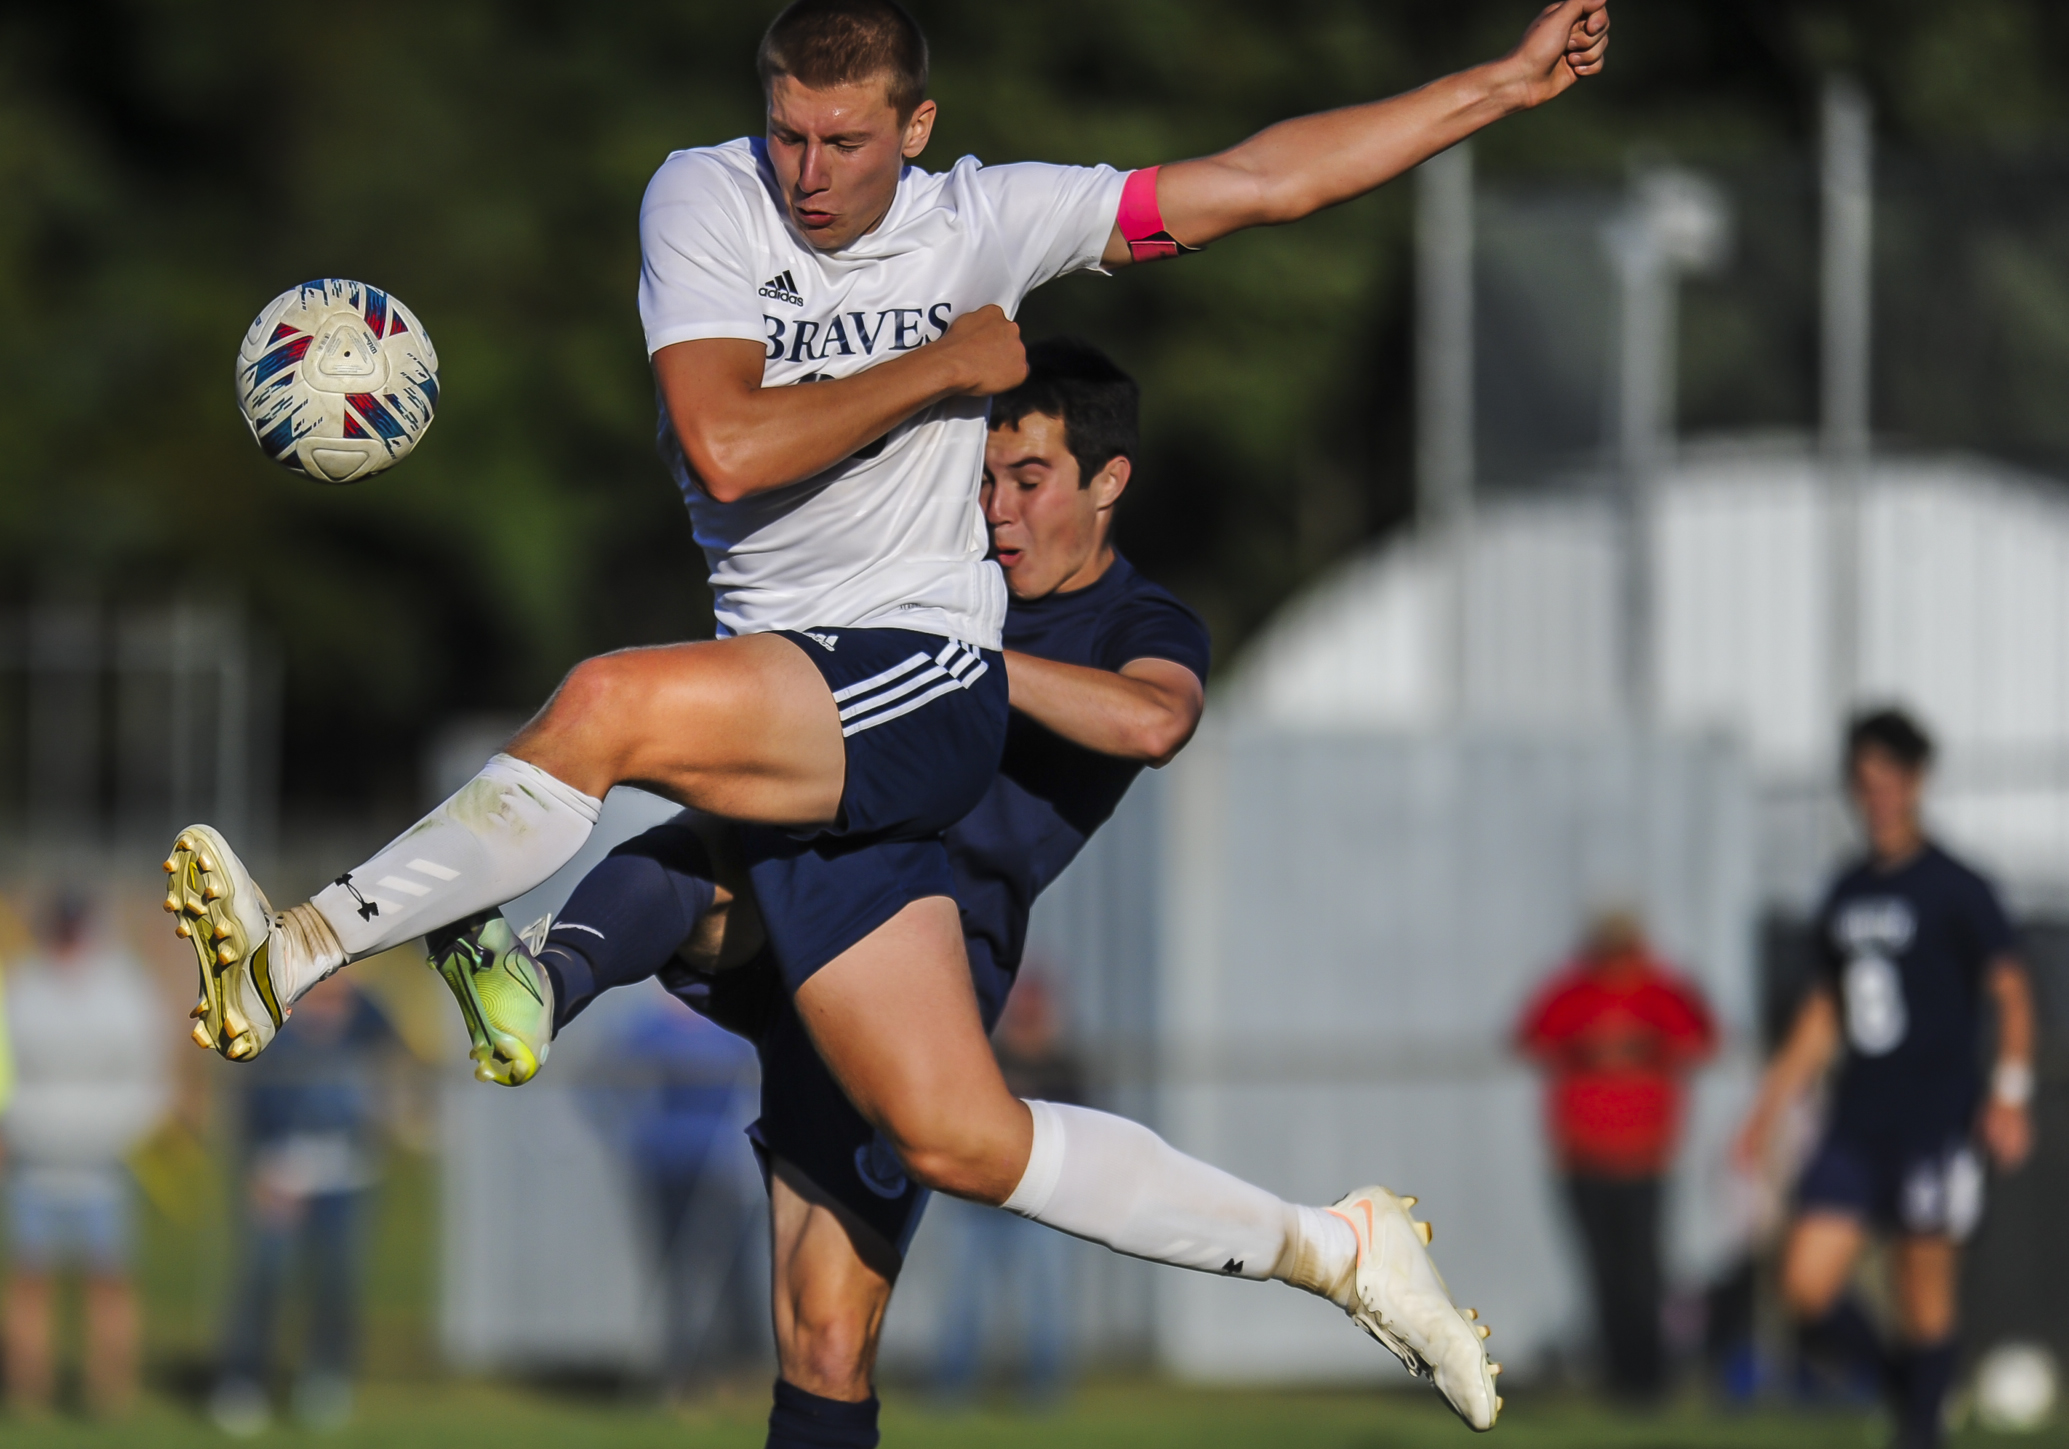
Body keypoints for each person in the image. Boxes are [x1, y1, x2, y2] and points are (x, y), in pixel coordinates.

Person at [164, 2, 1611, 1430]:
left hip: (914, 678)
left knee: (608, 706)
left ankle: (305, 955)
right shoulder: (704, 196)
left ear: (916, 130)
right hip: (807, 729)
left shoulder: (994, 221)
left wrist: (1491, 86)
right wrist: (941, 365)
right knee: (922, 1188)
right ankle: (1339, 1247)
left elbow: (1258, 183)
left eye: (846, 141)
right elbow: (727, 447)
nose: (809, 170)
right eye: (787, 132)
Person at [1734, 709, 2036, 1449]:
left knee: (1919, 1287)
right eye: (1862, 781)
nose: (1876, 796)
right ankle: (1911, 1388)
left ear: (1915, 782)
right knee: (1804, 1282)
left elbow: (2010, 990)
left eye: (1889, 780)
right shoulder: (1842, 890)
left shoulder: (1957, 885)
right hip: (1854, 1119)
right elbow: (1822, 1013)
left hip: (1935, 1117)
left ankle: (1918, 1429)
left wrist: (2009, 1092)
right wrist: (1765, 1109)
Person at [1514, 909, 1715, 1402]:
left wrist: (1637, 1047)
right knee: (1602, 1268)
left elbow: (1700, 1039)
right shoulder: (1572, 991)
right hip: (1582, 1156)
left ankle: (1650, 1375)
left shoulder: (1662, 991)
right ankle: (1618, 1373)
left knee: (1643, 1270)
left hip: (1645, 1156)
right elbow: (1530, 1037)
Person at [209, 974, 400, 1434]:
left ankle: (326, 1378)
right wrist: (261, 1165)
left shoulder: (367, 1014)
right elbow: (250, 1096)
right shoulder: (273, 1014)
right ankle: (244, 1380)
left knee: (337, 1282)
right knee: (264, 1279)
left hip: (346, 1173)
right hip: (280, 1172)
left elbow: (391, 1061)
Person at [4, 889, 167, 1418]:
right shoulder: (21, 989)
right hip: (35, 1163)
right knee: (32, 1278)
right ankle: (28, 1389)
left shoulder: (124, 990)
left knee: (110, 1278)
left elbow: (149, 1071)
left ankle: (110, 1392)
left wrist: (130, 1130)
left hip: (106, 1165)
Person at [933, 969, 1084, 1403]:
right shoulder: (988, 1057)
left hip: (1042, 1203)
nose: (1029, 1012)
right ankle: (952, 1390)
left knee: (1046, 1302)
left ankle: (1044, 1391)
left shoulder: (1064, 1064)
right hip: (980, 1201)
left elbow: (1084, 1131)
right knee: (964, 1301)